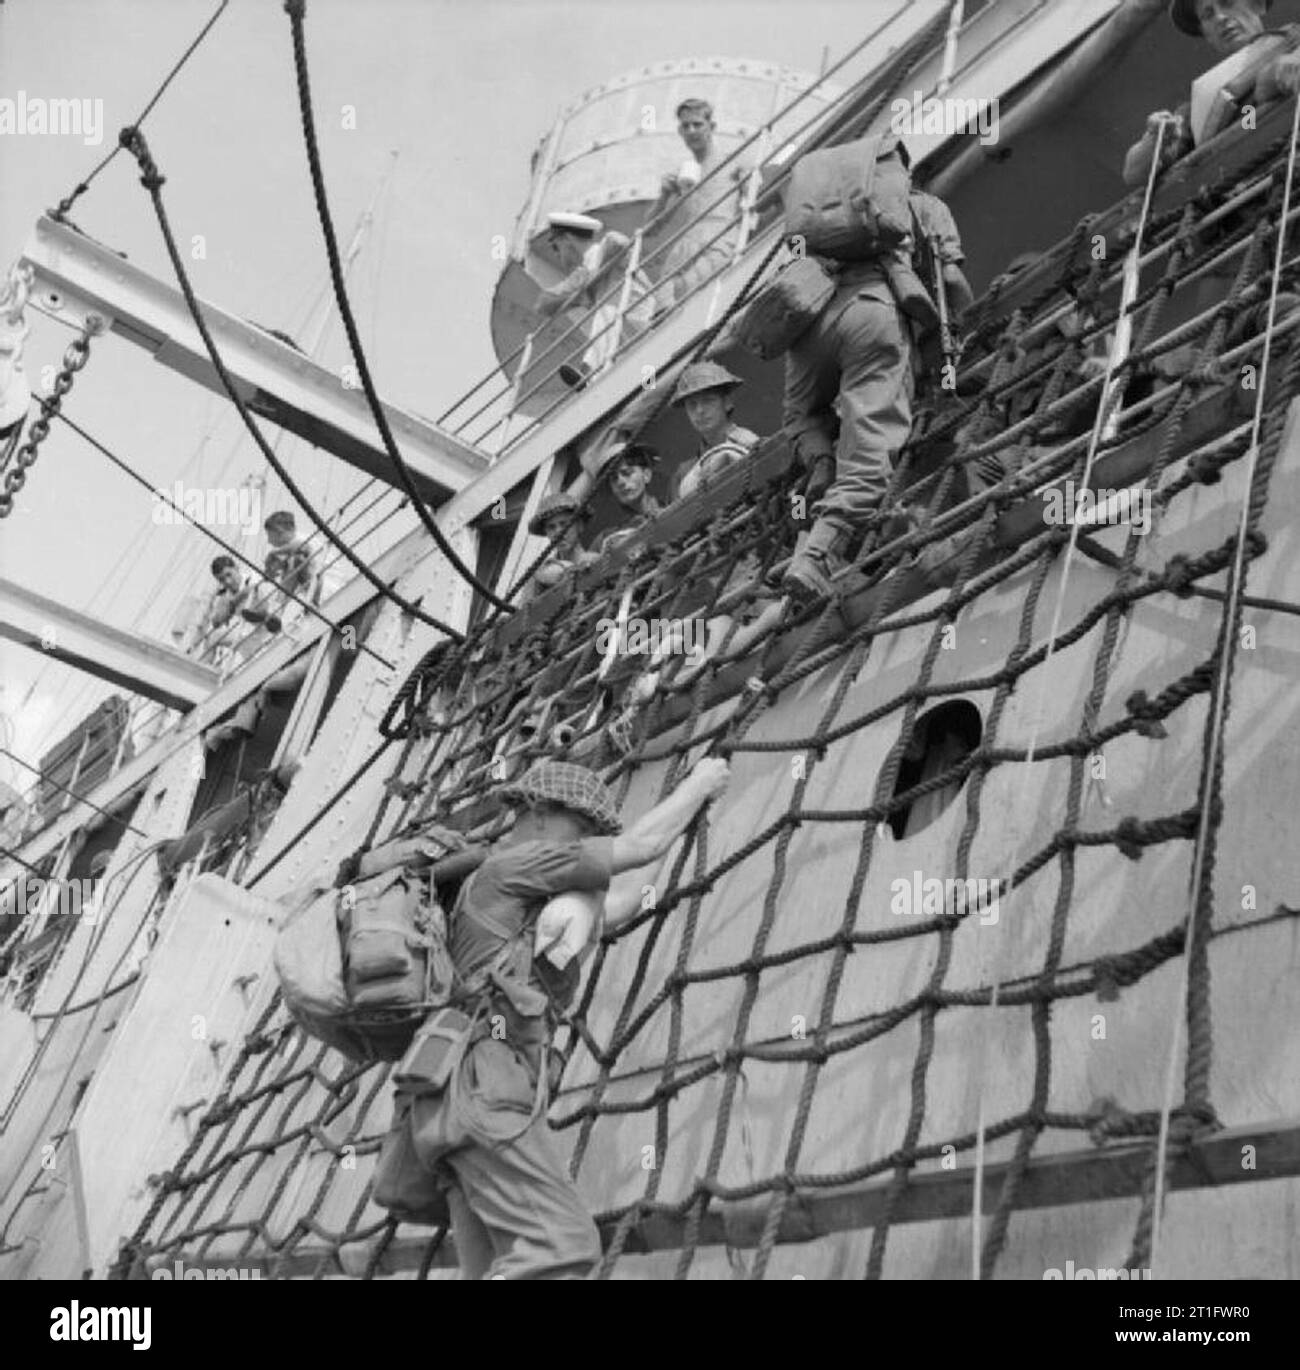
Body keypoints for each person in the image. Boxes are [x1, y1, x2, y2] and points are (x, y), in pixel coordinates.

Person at [393, 756, 730, 1279]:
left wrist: (682, 819)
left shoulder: (497, 884)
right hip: (487, 1092)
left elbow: (624, 902)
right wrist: (701, 783)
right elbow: (641, 847)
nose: (588, 839)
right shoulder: (521, 862)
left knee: (489, 1269)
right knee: (564, 1248)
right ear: (542, 812)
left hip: (443, 1103)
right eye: (586, 826)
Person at [781, 185, 973, 603]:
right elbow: (952, 279)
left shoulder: (828, 213)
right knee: (872, 453)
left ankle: (822, 468)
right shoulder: (921, 205)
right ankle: (816, 556)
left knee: (802, 419)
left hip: (806, 328)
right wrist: (962, 326)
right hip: (871, 314)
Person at [1123, 0, 1300, 188]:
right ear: (1207, 35)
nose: (1220, 18)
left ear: (1258, 5)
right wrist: (1155, 140)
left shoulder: (1294, 40)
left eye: (1228, 3)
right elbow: (1134, 174)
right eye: (1208, 15)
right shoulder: (1197, 109)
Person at [647, 99, 751, 310]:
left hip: (718, 243)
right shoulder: (684, 172)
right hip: (684, 249)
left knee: (692, 307)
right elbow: (649, 230)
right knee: (659, 314)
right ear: (680, 131)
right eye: (686, 126)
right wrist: (663, 196)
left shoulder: (735, 163)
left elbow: (754, 206)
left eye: (697, 124)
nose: (692, 131)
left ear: (711, 127)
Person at [533, 211, 654, 389]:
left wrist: (594, 277)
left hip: (639, 319)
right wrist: (577, 296)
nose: (558, 256)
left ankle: (587, 373)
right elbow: (542, 305)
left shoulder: (605, 245)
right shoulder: (581, 274)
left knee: (608, 312)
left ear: (566, 239)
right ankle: (592, 375)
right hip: (619, 335)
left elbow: (618, 243)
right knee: (607, 316)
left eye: (555, 247)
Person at [669, 361, 760, 501]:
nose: (699, 411)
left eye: (708, 400)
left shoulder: (753, 444)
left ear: (727, 402)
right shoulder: (684, 474)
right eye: (692, 405)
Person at [592, 442, 663, 556]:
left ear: (646, 475)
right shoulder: (606, 539)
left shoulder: (675, 503)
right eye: (614, 479)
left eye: (627, 473)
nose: (621, 482)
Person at [525, 491, 596, 595]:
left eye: (564, 524)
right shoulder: (540, 577)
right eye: (551, 527)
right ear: (546, 533)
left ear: (580, 525)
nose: (558, 532)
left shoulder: (595, 560)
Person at [195, 556, 251, 651]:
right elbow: (216, 622)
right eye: (221, 580)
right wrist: (227, 607)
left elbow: (251, 589)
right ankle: (202, 665)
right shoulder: (225, 597)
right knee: (212, 636)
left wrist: (234, 601)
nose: (227, 581)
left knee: (214, 637)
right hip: (243, 635)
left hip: (263, 628)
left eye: (229, 575)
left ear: (236, 567)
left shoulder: (251, 578)